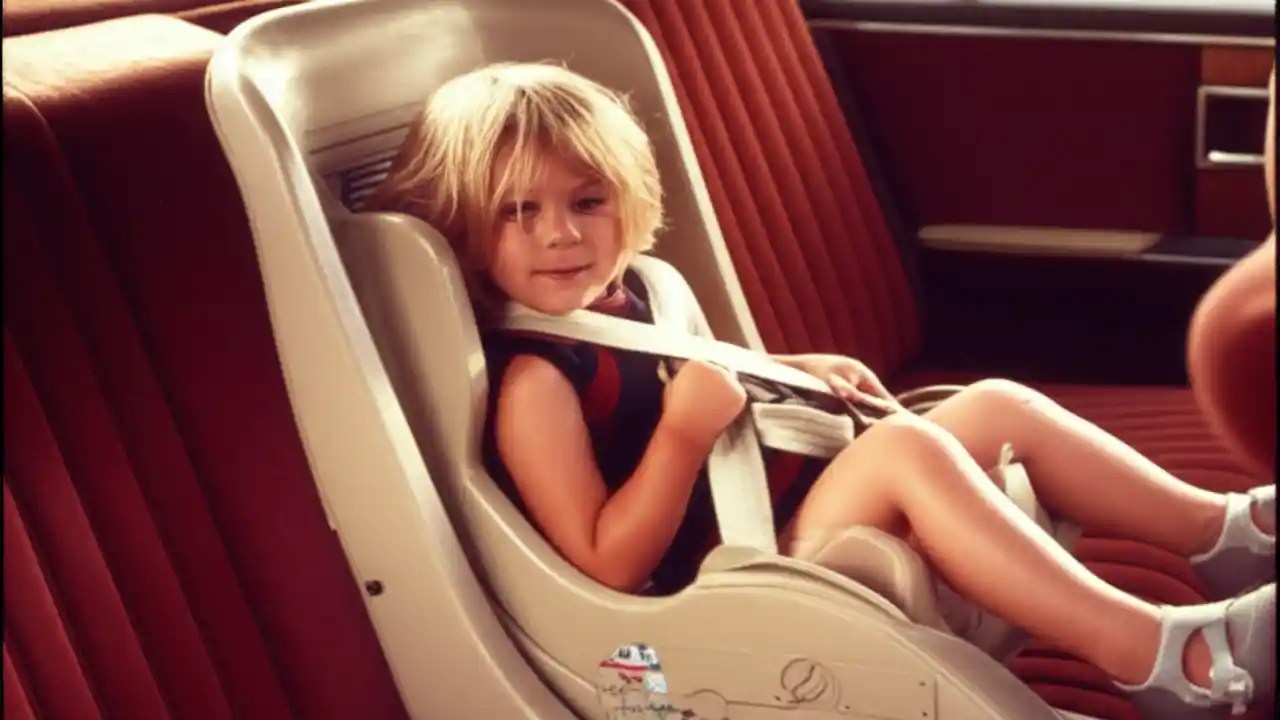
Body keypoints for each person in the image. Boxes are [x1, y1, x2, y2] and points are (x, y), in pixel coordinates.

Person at [367, 62, 1275, 718]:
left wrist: (789, 370)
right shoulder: (536, 383)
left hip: (778, 496)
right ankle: (1169, 656)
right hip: (736, 574)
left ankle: (1224, 534)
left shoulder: (637, 293)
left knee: (997, 401)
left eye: (586, 201)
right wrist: (684, 437)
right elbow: (609, 566)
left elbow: (694, 380)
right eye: (518, 212)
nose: (561, 235)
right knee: (907, 447)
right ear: (465, 232)